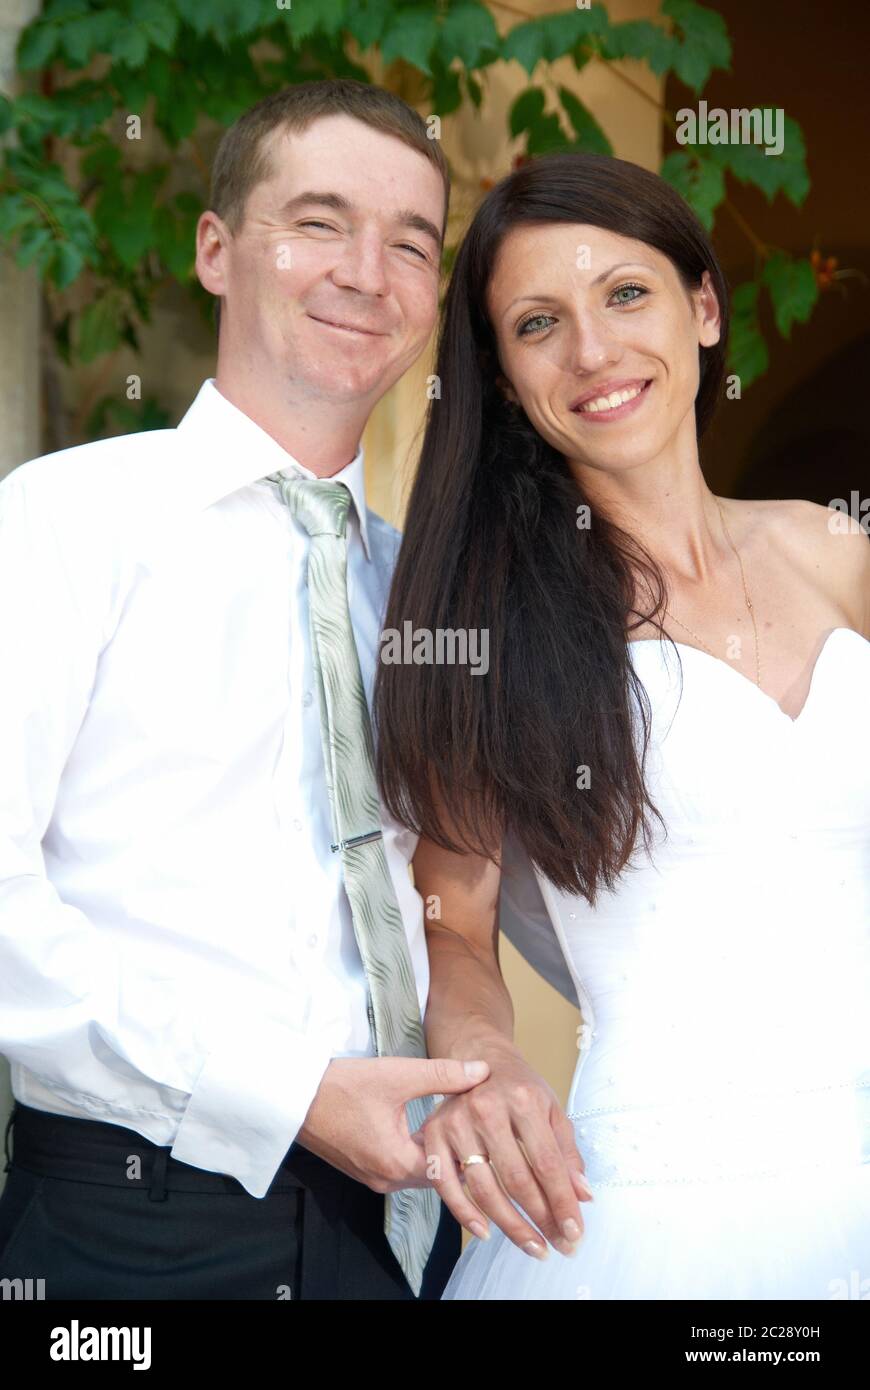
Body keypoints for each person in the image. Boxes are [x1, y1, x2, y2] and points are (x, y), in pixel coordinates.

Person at [0, 78, 587, 1302]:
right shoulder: (62, 521)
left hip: (407, 1224)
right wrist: (284, 1095)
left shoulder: (420, 591)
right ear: (218, 249)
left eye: (411, 243)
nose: (367, 272)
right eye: (319, 221)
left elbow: (460, 907)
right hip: (142, 1220)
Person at [372, 151, 870, 1299]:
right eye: (539, 323)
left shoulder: (835, 551)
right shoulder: (483, 617)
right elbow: (454, 922)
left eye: (627, 295)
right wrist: (487, 1063)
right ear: (500, 377)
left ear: (702, 307)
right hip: (642, 1216)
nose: (594, 352)